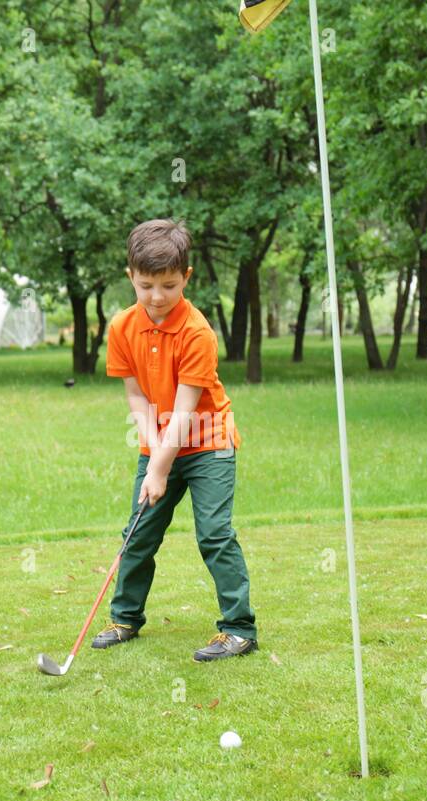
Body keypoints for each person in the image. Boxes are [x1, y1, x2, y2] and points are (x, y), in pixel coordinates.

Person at [95, 218, 258, 662]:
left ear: (186, 277)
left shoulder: (197, 332)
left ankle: (239, 629)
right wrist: (153, 458)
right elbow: (135, 395)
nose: (157, 296)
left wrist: (160, 467)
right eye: (146, 285)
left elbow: (186, 413)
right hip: (159, 442)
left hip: (208, 442)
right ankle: (125, 618)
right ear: (130, 275)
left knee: (214, 533)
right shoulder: (122, 328)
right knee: (138, 533)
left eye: (168, 285)